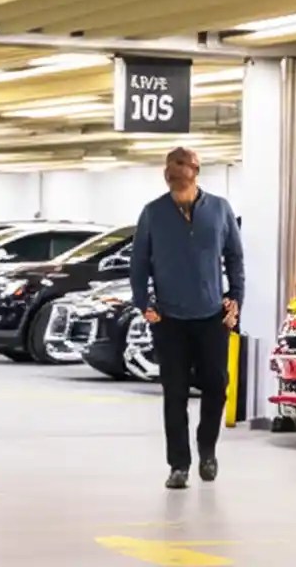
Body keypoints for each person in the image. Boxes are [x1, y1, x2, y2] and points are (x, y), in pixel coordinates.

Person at [131, 146, 244, 489]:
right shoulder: (153, 213)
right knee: (174, 393)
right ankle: (178, 464)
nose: (175, 180)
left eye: (181, 174)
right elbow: (139, 264)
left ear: (196, 172)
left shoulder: (220, 210)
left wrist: (235, 299)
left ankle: (206, 450)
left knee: (216, 386)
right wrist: (143, 303)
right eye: (170, 175)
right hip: (170, 320)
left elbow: (235, 259)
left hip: (212, 317)